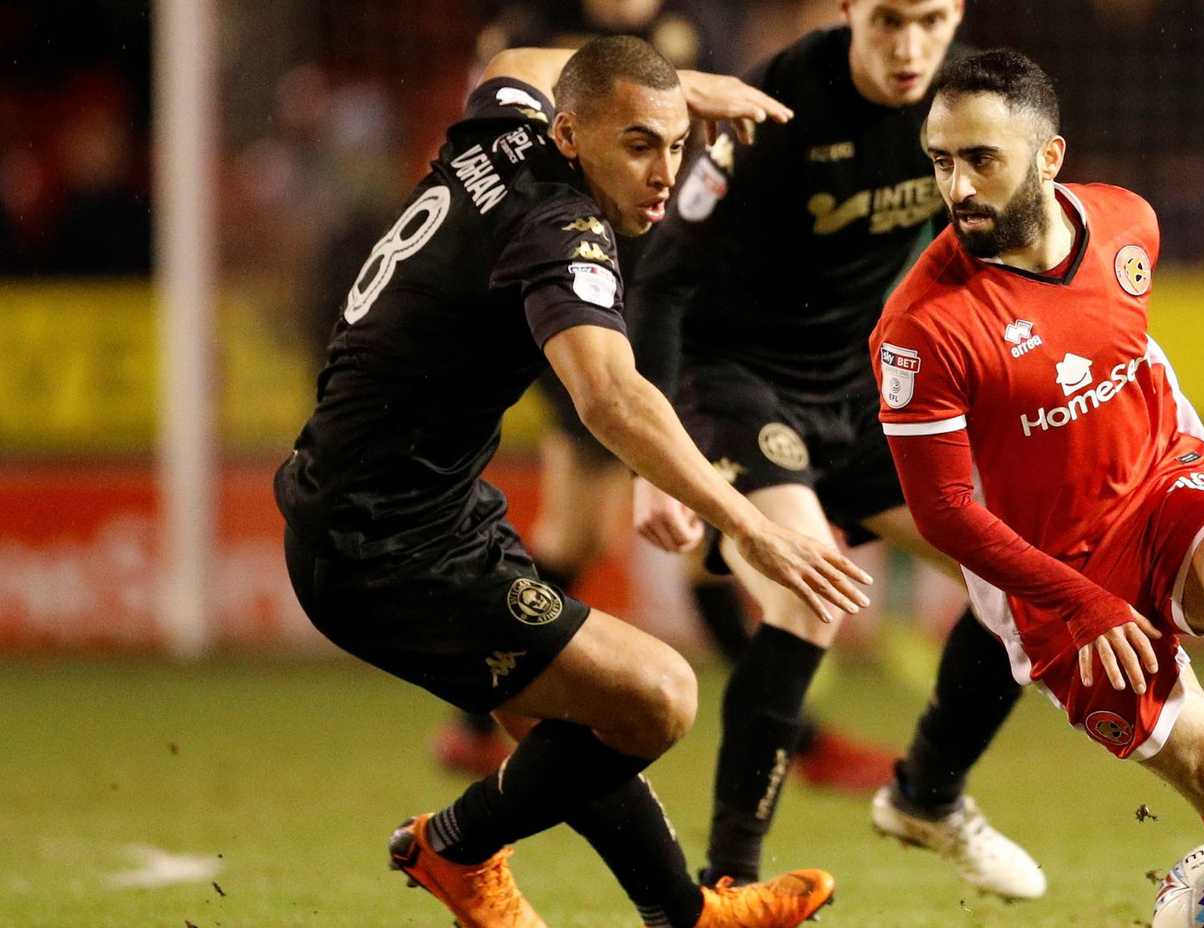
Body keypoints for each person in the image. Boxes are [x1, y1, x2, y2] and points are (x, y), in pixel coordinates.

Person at [275, 37, 873, 928]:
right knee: (660, 697)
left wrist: (681, 89)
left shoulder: (502, 132)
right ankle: (453, 846)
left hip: (416, 511)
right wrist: (749, 524)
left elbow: (519, 57)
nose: (664, 174)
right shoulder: (561, 227)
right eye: (637, 145)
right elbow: (611, 398)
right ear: (569, 135)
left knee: (578, 722)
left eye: (676, 145)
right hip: (381, 547)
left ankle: (682, 914)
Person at [868, 49, 1204, 928]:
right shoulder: (921, 328)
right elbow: (944, 513)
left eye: (981, 159)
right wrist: (1081, 602)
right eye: (941, 161)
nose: (957, 187)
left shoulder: (1128, 224)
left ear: (1048, 157)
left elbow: (1123, 350)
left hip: (1159, 490)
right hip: (1053, 582)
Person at [626, 0, 1041, 900]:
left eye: (930, 21)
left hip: (853, 386)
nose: (909, 46)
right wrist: (648, 459)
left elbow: (1006, 249)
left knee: (1020, 580)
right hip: (731, 378)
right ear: (850, 9)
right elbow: (658, 284)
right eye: (888, 20)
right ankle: (729, 888)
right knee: (811, 589)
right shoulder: (776, 105)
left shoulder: (969, 105)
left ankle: (926, 795)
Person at [434, 0, 895, 793]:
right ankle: (480, 715)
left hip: (667, 307)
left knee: (689, 556)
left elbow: (711, 170)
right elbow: (504, 110)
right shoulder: (532, 23)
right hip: (569, 297)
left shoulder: (693, 23)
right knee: (584, 534)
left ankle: (797, 739)